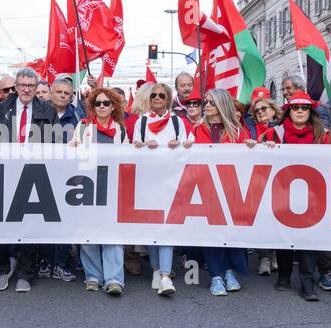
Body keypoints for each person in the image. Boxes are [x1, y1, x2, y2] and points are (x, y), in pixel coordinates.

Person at [0, 67, 59, 292]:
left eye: (31, 85)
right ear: (15, 87)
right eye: (22, 85)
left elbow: (55, 141)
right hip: (5, 173)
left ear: (37, 88)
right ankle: (2, 268)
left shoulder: (48, 109)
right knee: (1, 223)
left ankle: (25, 272)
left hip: (34, 172)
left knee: (29, 223)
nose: (26, 89)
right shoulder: (1, 109)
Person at [267, 90, 331, 301]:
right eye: (295, 107)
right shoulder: (275, 133)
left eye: (304, 107)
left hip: (312, 195)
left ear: (310, 111)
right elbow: (259, 156)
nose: (299, 111)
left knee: (308, 240)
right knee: (284, 236)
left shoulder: (322, 134)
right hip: (282, 192)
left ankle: (307, 283)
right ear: (289, 111)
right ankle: (284, 276)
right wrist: (263, 147)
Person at [186, 89, 255, 296]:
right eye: (205, 102)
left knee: (229, 233)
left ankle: (228, 270)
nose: (205, 105)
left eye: (211, 103)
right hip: (206, 188)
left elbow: (251, 158)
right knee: (211, 234)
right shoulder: (196, 130)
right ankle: (216, 274)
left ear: (222, 105)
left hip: (231, 189)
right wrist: (183, 147)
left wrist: (255, 147)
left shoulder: (238, 131)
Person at [71, 86, 128, 295]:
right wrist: (73, 145)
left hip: (112, 185)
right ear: (92, 106)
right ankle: (92, 276)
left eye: (106, 103)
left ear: (113, 106)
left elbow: (127, 156)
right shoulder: (83, 126)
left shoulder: (120, 129)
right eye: (98, 103)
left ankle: (114, 279)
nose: (102, 107)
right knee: (88, 231)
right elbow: (73, 151)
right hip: (86, 184)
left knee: (112, 232)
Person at [132, 81, 185, 295]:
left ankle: (165, 275)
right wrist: (144, 146)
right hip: (148, 181)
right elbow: (134, 146)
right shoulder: (141, 122)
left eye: (162, 96)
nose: (157, 99)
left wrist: (177, 144)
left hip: (171, 181)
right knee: (153, 227)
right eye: (154, 95)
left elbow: (188, 146)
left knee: (167, 228)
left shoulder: (177, 121)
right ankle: (156, 270)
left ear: (168, 99)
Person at [41, 75, 81, 281]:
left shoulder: (78, 118)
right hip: (42, 174)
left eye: (67, 93)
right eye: (59, 92)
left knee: (65, 220)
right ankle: (45, 262)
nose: (63, 96)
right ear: (51, 92)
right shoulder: (38, 113)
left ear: (71, 96)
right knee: (43, 219)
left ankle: (61, 264)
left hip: (68, 176)